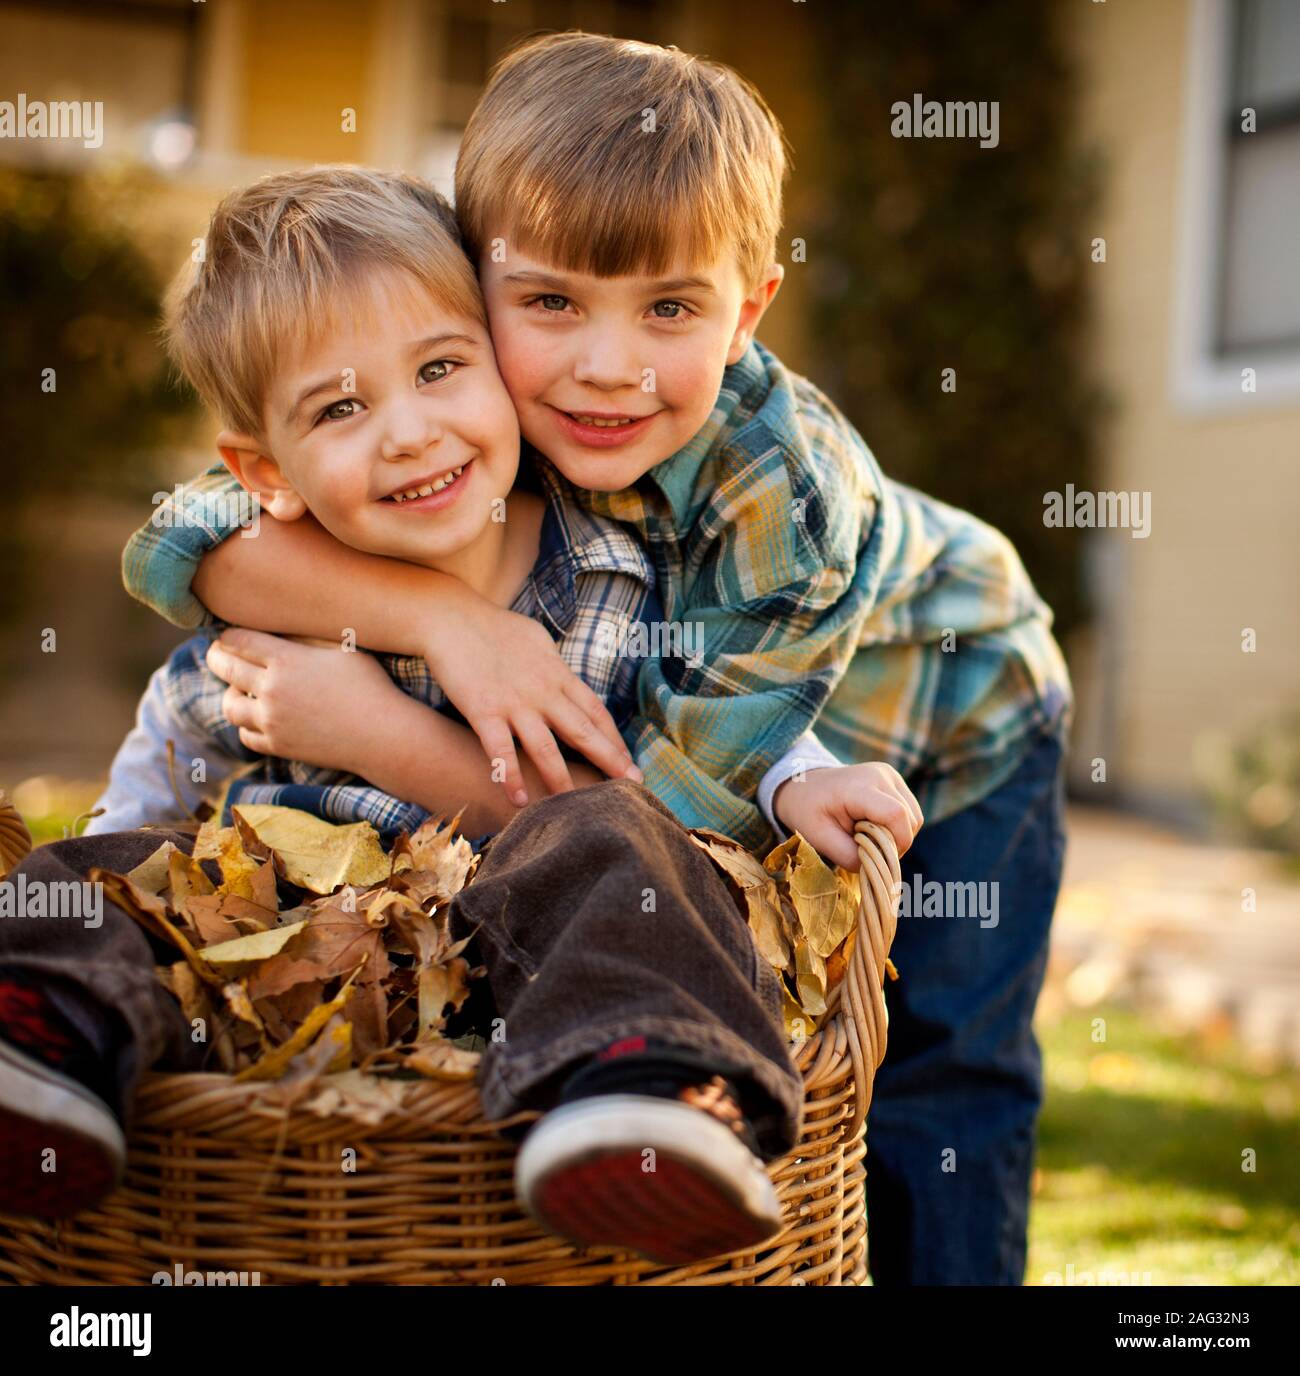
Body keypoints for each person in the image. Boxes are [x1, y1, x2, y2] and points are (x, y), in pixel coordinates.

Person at [124, 35, 1073, 1283]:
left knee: (929, 1081)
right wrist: (448, 623)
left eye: (670, 306)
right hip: (736, 736)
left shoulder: (775, 507)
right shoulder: (447, 379)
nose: (607, 365)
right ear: (472, 280)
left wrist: (377, 734)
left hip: (951, 706)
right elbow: (184, 541)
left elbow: (662, 834)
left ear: (748, 311)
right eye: (553, 299)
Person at [0, 164, 921, 1265]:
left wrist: (794, 777)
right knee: (100, 866)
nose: (408, 433)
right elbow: (170, 742)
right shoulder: (281, 608)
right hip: (289, 965)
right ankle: (45, 1047)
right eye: (340, 408)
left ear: (497, 363)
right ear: (264, 472)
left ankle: (641, 1091)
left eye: (440, 369)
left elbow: (711, 705)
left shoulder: (617, 570)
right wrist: (117, 854)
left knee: (614, 840)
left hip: (537, 953)